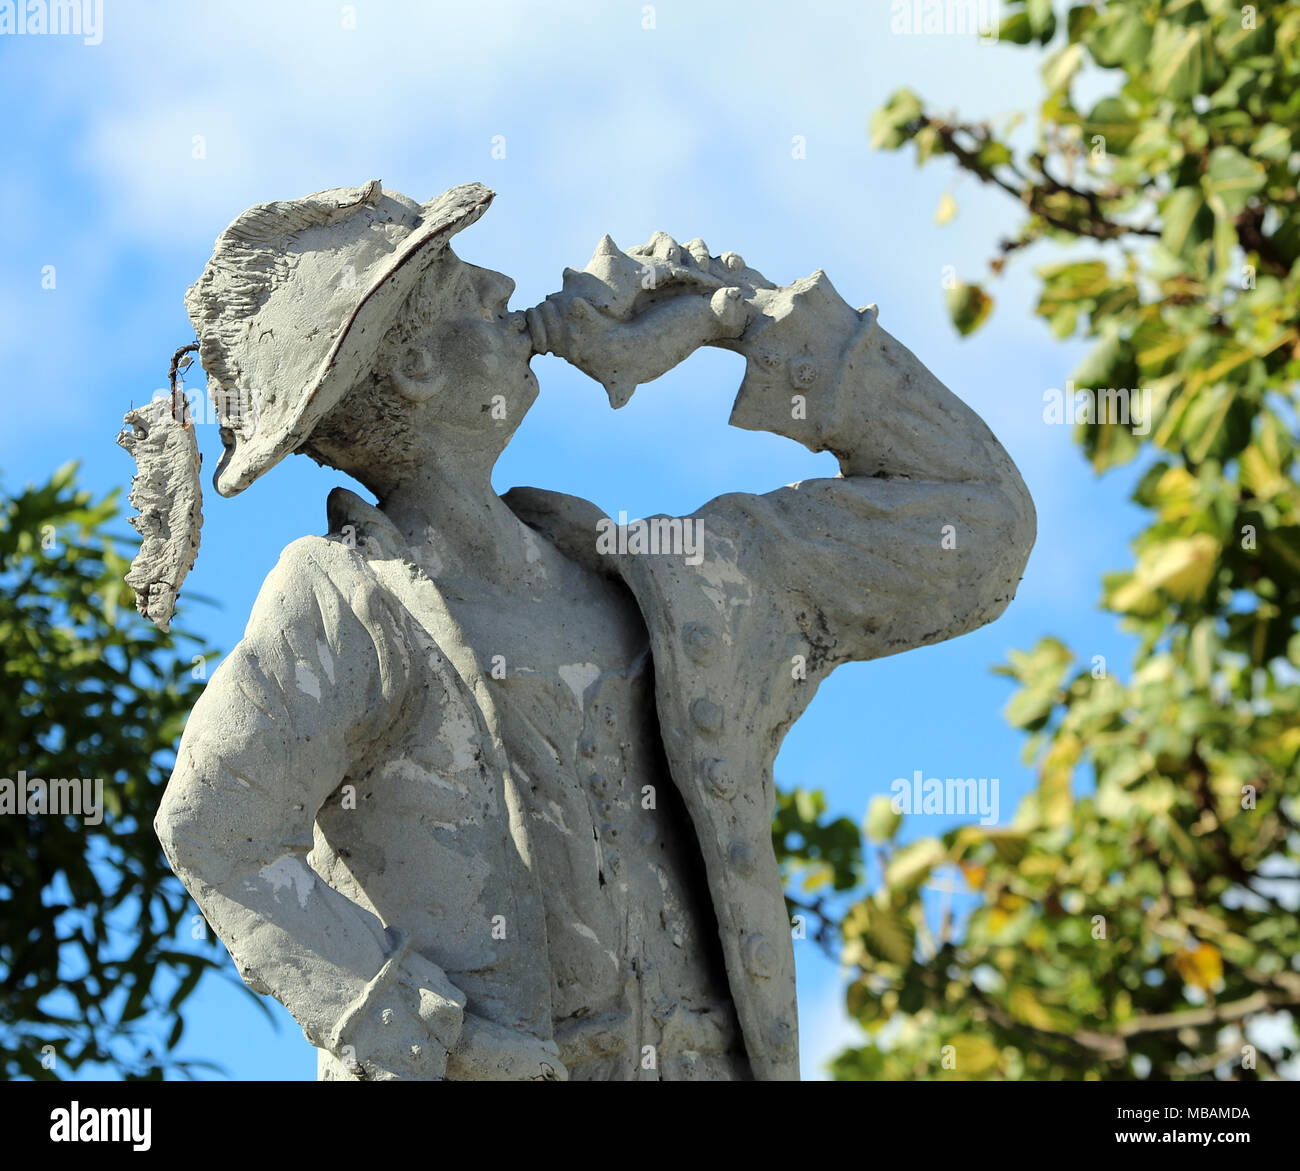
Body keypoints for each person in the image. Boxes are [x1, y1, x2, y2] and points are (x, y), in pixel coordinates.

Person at [154, 180, 1035, 1081]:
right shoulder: (346, 602)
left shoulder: (686, 578)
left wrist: (745, 317)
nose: (504, 286)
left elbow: (980, 524)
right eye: (461, 283)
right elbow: (215, 827)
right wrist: (429, 1038)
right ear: (414, 366)